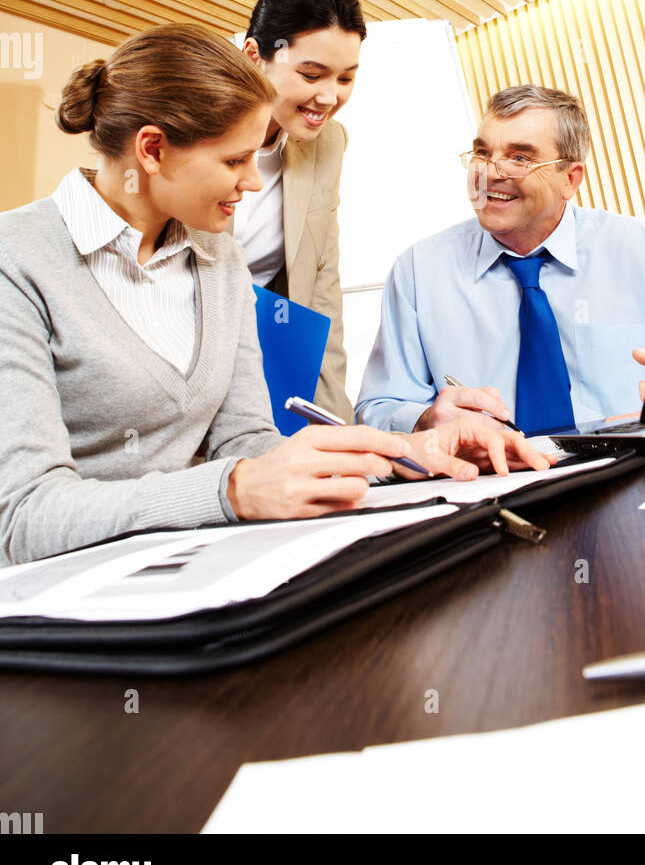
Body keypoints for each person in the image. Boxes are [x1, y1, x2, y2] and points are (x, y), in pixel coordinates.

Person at [0, 28, 549, 567]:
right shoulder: (17, 261)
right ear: (152, 149)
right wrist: (233, 491)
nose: (253, 182)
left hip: (183, 570)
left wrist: (404, 453)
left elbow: (243, 441)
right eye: (234, 161)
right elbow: (23, 518)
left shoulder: (219, 256)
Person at [356, 85, 645, 435]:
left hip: (632, 465)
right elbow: (378, 407)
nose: (491, 172)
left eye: (520, 158)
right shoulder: (418, 271)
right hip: (491, 480)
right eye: (482, 153)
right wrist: (427, 421)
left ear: (570, 180)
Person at [235, 0, 364, 423]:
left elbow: (320, 293)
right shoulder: (188, 130)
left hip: (257, 357)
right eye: (311, 74)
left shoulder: (328, 144)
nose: (329, 97)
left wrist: (338, 428)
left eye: (346, 78)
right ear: (254, 56)